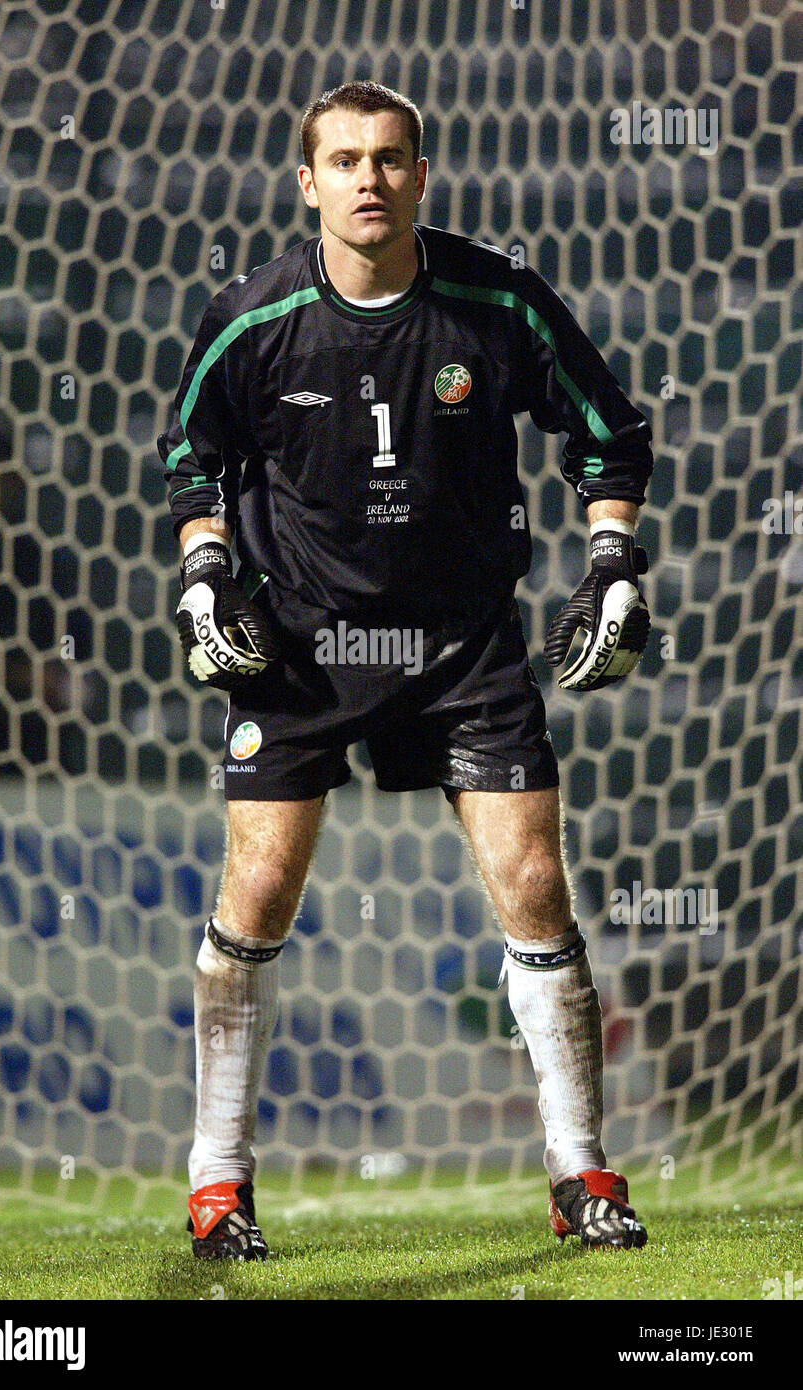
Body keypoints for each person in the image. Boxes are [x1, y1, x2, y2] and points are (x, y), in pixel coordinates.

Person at [158, 80, 653, 1260]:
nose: (366, 179)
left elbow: (608, 430)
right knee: (258, 891)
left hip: (462, 645)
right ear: (306, 182)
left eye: (388, 159)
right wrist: (204, 576)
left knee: (533, 881)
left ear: (420, 177)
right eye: (342, 161)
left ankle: (582, 1173)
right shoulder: (249, 318)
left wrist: (610, 560)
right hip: (300, 649)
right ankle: (218, 1184)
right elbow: (192, 459)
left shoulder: (495, 301)